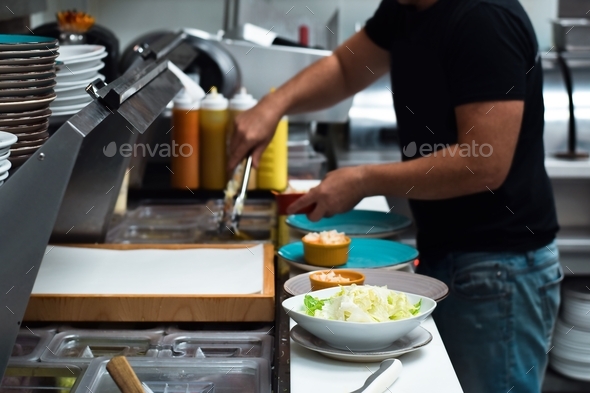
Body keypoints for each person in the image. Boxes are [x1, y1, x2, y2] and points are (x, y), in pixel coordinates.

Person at [228, 0, 562, 392]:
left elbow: (482, 162)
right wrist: (274, 104)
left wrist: (363, 180)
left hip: (499, 271)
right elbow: (345, 68)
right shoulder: (407, 6)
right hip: (452, 255)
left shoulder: (483, 17)